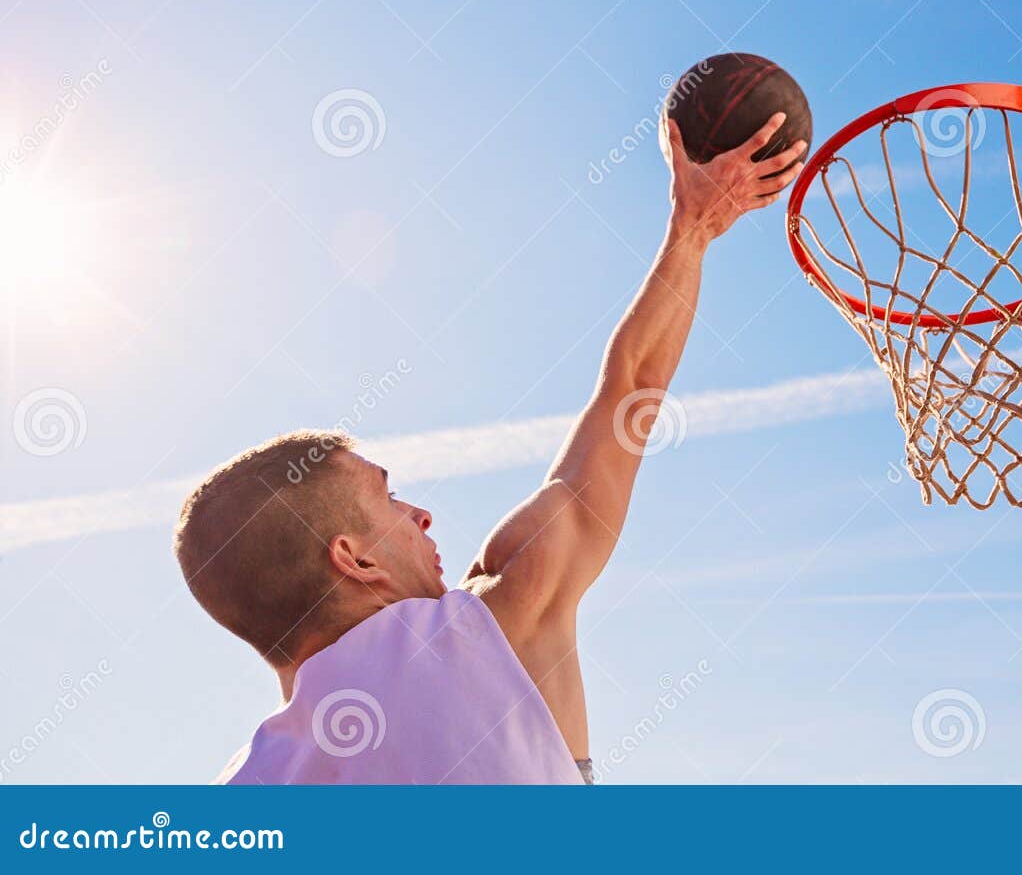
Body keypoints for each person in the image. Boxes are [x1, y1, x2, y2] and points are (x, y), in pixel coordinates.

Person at [173, 113, 806, 783]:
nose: (421, 514)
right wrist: (694, 227)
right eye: (386, 497)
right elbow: (632, 389)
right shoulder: (487, 626)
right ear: (352, 557)